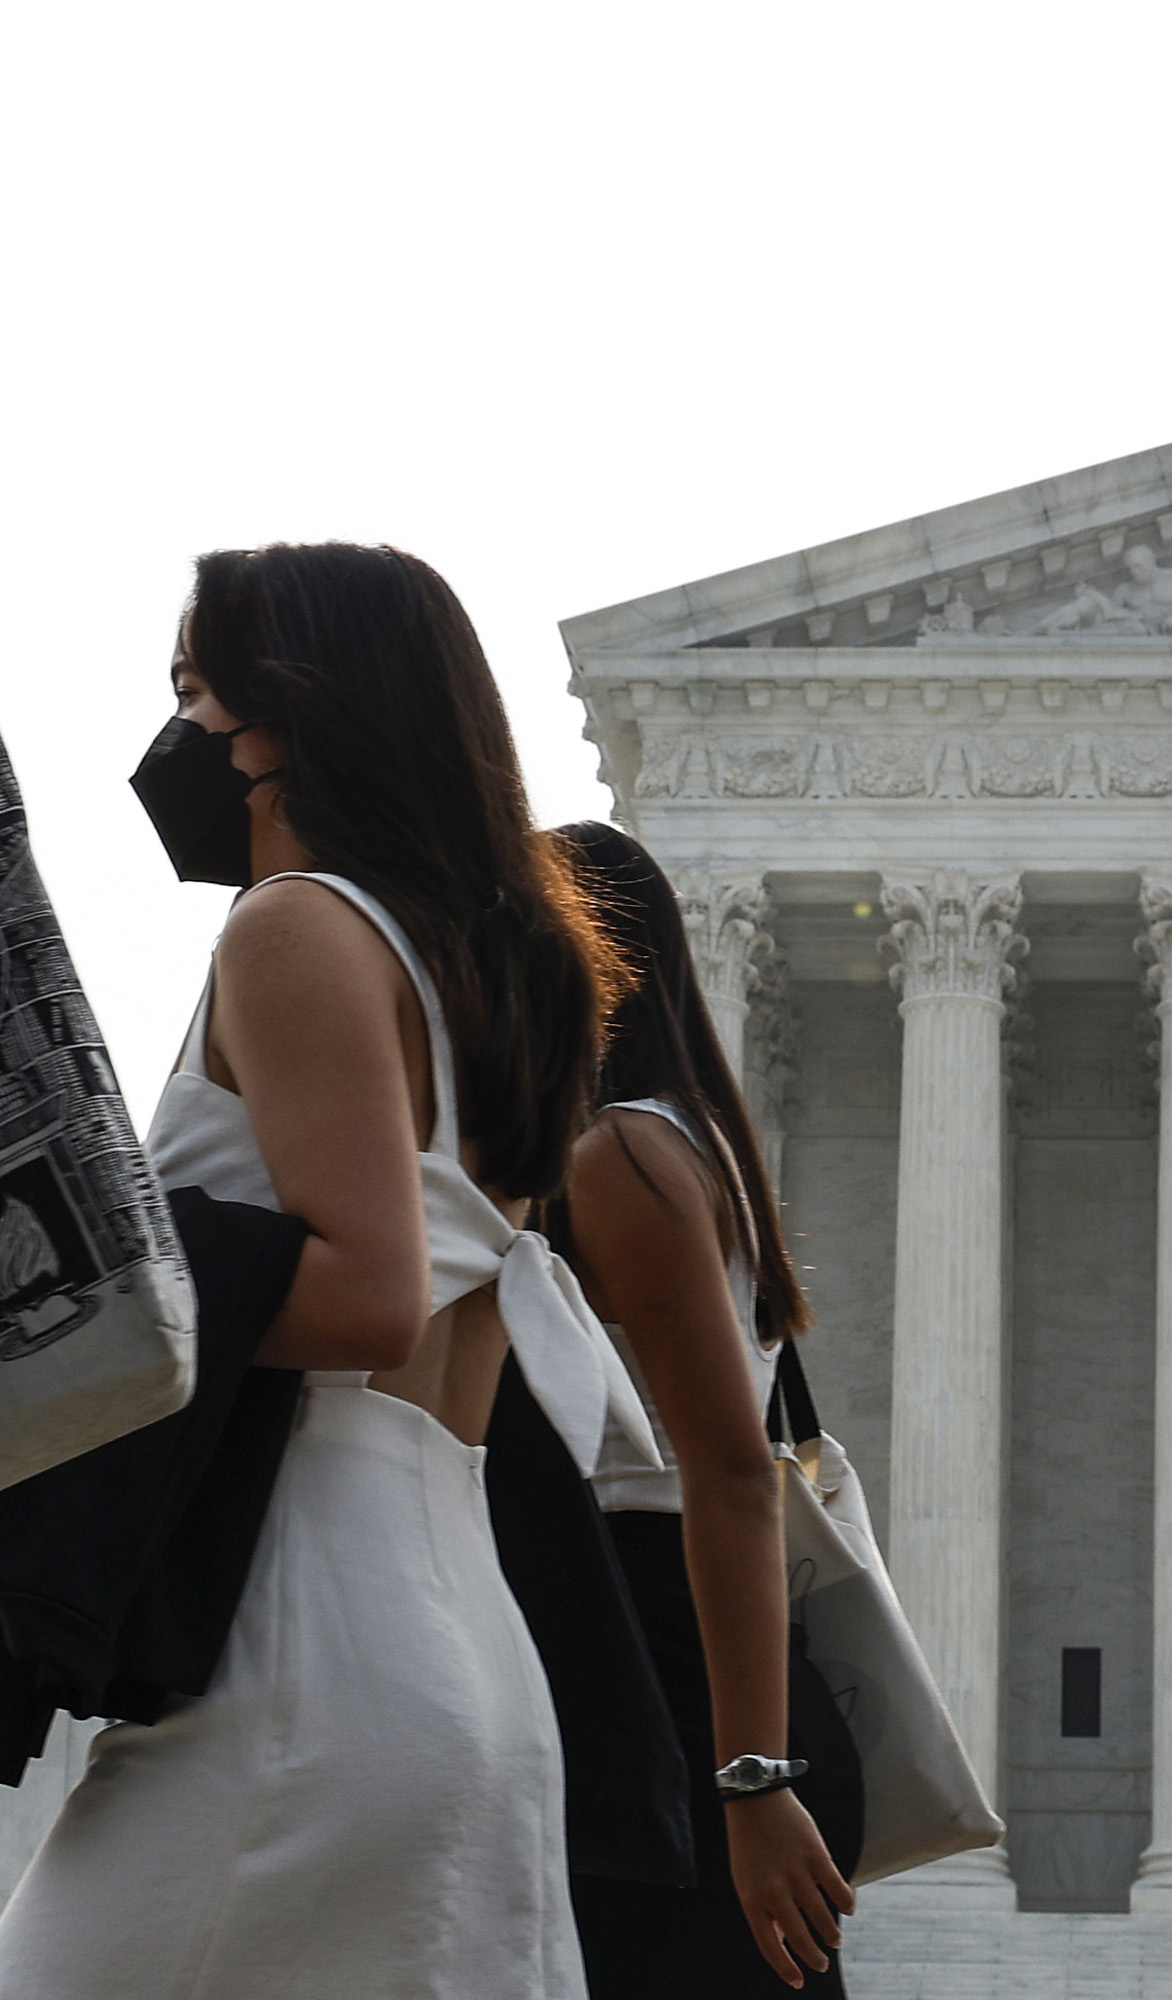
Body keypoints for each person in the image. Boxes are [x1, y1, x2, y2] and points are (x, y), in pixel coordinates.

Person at [0, 543, 627, 1995]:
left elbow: (368, 1296)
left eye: (193, 691)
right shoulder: (502, 971)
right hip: (459, 1636)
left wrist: (100, 1264)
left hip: (299, 1639)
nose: (178, 738)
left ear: (286, 713)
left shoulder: (293, 930)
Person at [550, 822, 861, 1994]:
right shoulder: (691, 1141)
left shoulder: (621, 1154)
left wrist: (751, 1776)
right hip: (713, 1668)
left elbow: (724, 1476)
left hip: (669, 1669)